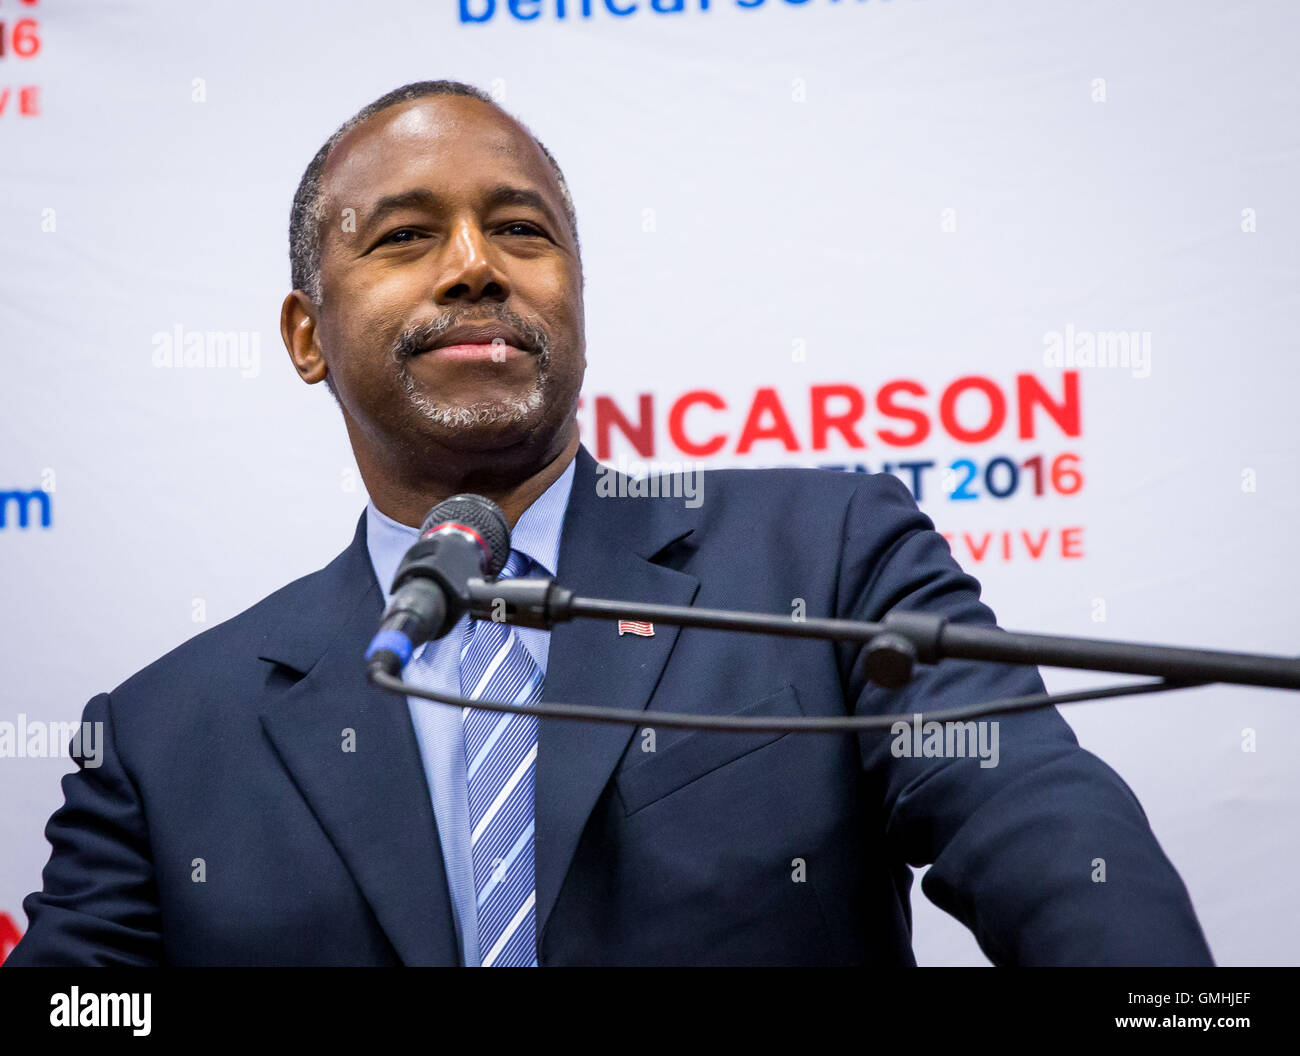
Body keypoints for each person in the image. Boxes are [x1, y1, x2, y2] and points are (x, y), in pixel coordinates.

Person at [7, 81, 1213, 966]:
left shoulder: (822, 554)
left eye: (522, 230)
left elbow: (1038, 825)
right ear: (306, 336)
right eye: (406, 236)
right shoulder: (167, 740)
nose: (476, 266)